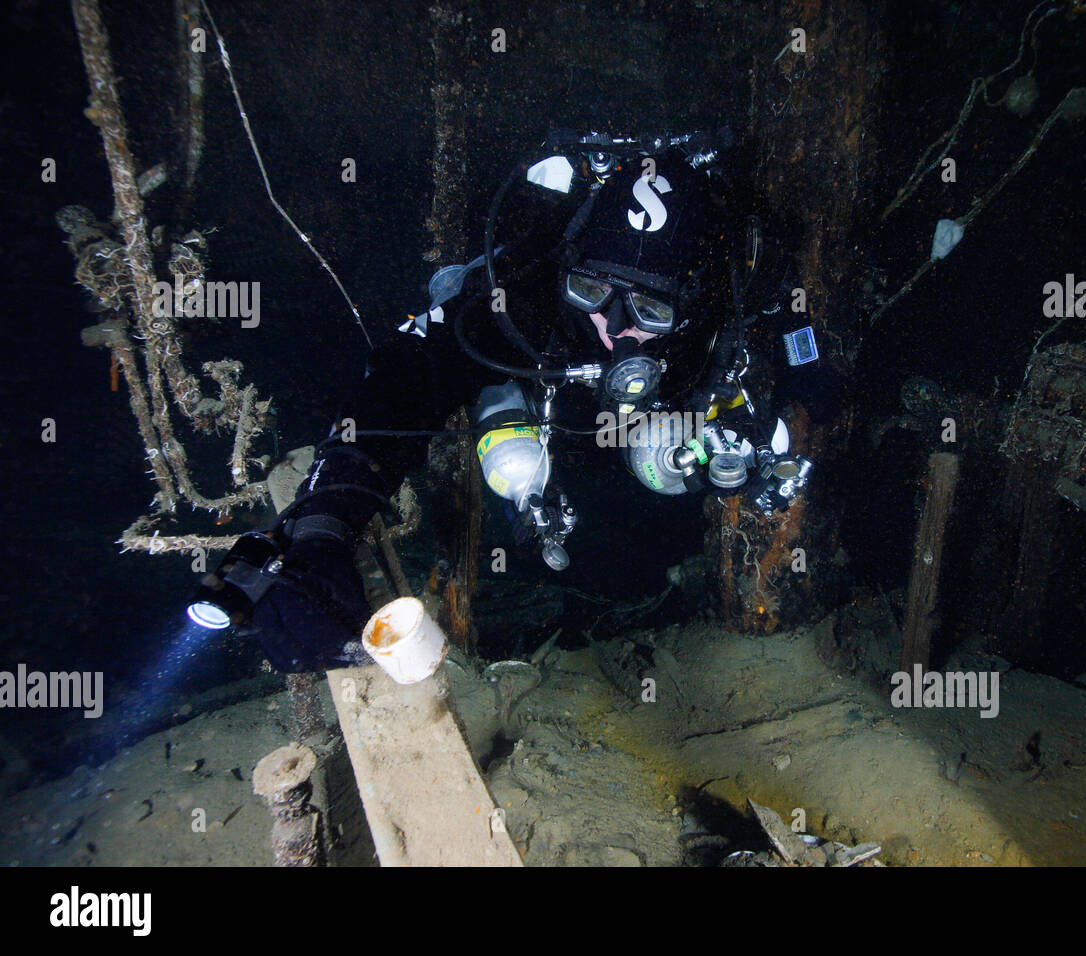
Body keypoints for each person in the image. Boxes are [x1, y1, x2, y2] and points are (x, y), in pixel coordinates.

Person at [188, 130, 827, 671]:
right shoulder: (526, 290)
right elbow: (406, 377)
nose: (612, 327)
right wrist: (325, 523)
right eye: (591, 291)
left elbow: (810, 359)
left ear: (693, 303)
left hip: (655, 428)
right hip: (544, 415)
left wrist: (784, 428)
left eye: (651, 308)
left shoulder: (732, 304)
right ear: (567, 269)